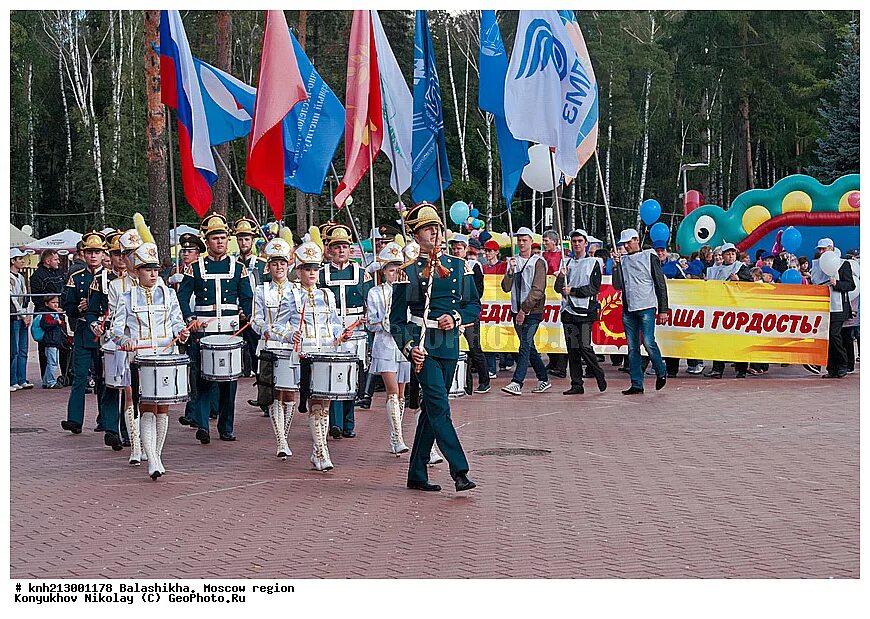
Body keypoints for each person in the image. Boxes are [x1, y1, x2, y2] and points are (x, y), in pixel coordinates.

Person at [389, 202, 478, 492]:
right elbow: (397, 320)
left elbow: (473, 305)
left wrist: (455, 317)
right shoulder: (409, 271)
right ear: (416, 236)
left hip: (448, 344)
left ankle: (416, 473)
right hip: (423, 346)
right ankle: (459, 470)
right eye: (428, 229)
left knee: (431, 409)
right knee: (440, 406)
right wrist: (409, 347)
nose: (435, 232)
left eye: (437, 227)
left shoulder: (457, 265)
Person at [110, 242, 190, 480]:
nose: (154, 273)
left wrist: (182, 331)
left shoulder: (169, 294)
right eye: (148, 269)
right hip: (141, 358)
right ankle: (152, 459)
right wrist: (125, 339)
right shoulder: (127, 297)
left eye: (156, 269)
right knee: (145, 406)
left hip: (166, 356)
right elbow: (115, 330)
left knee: (162, 408)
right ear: (136, 272)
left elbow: (176, 321)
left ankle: (156, 454)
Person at [178, 212, 253, 444]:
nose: (219, 241)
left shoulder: (238, 266)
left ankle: (226, 427)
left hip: (230, 330)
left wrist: (247, 315)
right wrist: (190, 318)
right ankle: (202, 426)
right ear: (207, 241)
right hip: (203, 330)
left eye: (222, 237)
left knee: (229, 382)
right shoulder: (196, 268)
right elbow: (182, 296)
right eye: (214, 238)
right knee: (202, 379)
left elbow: (247, 296)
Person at [293, 241, 352, 471]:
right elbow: (280, 325)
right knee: (315, 403)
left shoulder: (327, 295)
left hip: (327, 352)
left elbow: (335, 324)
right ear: (299, 271)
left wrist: (343, 334)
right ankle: (322, 451)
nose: (312, 274)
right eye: (308, 269)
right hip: (306, 355)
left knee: (325, 405)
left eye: (315, 270)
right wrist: (291, 334)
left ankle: (318, 452)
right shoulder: (293, 295)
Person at [85, 230, 140, 452]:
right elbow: (91, 311)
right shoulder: (102, 280)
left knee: (133, 387)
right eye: (117, 253)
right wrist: (94, 324)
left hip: (135, 341)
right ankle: (110, 429)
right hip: (110, 339)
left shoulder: (141, 278)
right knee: (110, 385)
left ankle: (129, 430)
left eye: (125, 254)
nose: (120, 258)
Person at [317, 223, 372, 439]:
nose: (341, 250)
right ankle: (336, 423)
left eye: (345, 246)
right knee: (333, 375)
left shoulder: (362, 274)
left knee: (352, 377)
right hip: (332, 332)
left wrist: (370, 318)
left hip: (356, 331)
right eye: (336, 246)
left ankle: (349, 424)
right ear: (329, 250)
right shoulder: (321, 275)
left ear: (350, 250)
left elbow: (371, 303)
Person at [249, 238, 298, 460]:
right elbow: (255, 319)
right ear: (268, 266)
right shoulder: (261, 290)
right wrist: (264, 330)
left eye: (282, 263)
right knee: (274, 393)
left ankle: (284, 434)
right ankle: (281, 440)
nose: (279, 267)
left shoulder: (296, 290)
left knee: (290, 394)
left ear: (288, 265)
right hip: (270, 345)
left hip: (290, 345)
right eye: (275, 263)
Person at [367, 242, 412, 455]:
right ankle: (397, 436)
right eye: (392, 269)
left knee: (402, 393)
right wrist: (385, 322)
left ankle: (398, 431)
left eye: (398, 269)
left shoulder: (408, 291)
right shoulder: (375, 293)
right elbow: (371, 323)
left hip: (402, 345)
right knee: (392, 391)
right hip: (385, 344)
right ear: (384, 271)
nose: (395, 273)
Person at [611, 228, 668, 395]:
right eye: (624, 244)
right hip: (629, 307)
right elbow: (617, 285)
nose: (626, 246)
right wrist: (616, 266)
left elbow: (660, 283)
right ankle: (636, 383)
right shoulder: (623, 260)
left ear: (637, 240)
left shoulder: (650, 256)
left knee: (648, 342)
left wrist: (663, 309)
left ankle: (661, 370)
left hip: (647, 305)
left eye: (629, 242)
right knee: (632, 347)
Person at [61, 231, 108, 433]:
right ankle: (74, 420)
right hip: (82, 330)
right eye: (89, 252)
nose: (93, 256)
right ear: (83, 254)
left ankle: (105, 419)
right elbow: (67, 304)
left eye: (97, 252)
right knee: (79, 376)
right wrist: (77, 309)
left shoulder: (109, 276)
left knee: (104, 378)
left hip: (103, 330)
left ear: (103, 254)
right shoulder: (76, 277)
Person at [554, 229, 606, 395]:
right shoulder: (566, 263)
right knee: (573, 349)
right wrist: (561, 277)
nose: (577, 244)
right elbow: (558, 288)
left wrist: (574, 291)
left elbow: (594, 287)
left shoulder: (593, 262)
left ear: (585, 243)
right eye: (574, 241)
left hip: (585, 311)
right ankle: (577, 383)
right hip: (569, 311)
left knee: (584, 346)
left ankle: (597, 372)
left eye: (579, 241)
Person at [500, 227, 551, 396]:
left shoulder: (538, 262)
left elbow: (538, 290)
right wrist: (509, 271)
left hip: (532, 311)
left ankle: (517, 382)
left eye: (524, 240)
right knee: (529, 347)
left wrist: (525, 309)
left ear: (530, 241)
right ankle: (543, 378)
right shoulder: (513, 261)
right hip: (516, 309)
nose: (521, 243)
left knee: (524, 345)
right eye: (519, 240)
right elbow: (506, 287)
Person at [448, 234, 490, 394]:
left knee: (474, 347)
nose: (456, 251)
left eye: (459, 248)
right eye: (454, 248)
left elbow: (478, 291)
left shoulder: (473, 265)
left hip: (468, 313)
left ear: (466, 249)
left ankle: (484, 380)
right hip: (452, 312)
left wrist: (467, 310)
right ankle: (456, 382)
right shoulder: (448, 265)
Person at [703, 242, 753, 379]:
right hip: (720, 309)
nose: (731, 256)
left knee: (739, 339)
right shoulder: (716, 270)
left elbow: (751, 284)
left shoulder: (740, 267)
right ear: (723, 256)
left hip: (737, 309)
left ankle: (741, 369)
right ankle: (717, 369)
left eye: (732, 253)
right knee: (719, 339)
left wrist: (739, 280)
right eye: (728, 254)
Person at [811, 238, 855, 379]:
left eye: (823, 249)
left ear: (831, 248)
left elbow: (850, 285)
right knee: (827, 338)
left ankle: (843, 364)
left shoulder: (843, 264)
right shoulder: (818, 265)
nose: (821, 252)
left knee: (834, 335)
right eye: (819, 249)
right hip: (823, 307)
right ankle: (831, 368)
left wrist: (837, 284)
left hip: (839, 306)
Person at [234, 217, 267, 380]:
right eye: (240, 239)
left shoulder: (262, 265)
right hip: (237, 316)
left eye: (247, 239)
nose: (243, 243)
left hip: (256, 316)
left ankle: (264, 394)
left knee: (259, 356)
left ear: (253, 241)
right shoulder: (233, 264)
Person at [30, 249, 68, 380]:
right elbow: (37, 298)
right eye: (56, 259)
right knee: (45, 348)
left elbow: (64, 289)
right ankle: (47, 378)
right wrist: (52, 307)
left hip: (60, 313)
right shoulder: (37, 276)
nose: (59, 261)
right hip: (45, 315)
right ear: (47, 261)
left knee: (63, 344)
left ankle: (66, 375)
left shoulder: (59, 272)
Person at [541, 229, 568, 378]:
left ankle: (561, 365)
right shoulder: (543, 255)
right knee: (548, 328)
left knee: (558, 331)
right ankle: (552, 360)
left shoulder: (563, 256)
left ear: (554, 241)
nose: (544, 243)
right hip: (547, 297)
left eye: (546, 241)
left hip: (558, 297)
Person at [10, 248, 33, 391]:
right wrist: (23, 314)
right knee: (14, 349)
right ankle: (12, 379)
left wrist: (28, 313)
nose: (22, 261)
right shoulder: (8, 276)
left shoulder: (21, 277)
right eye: (20, 259)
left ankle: (21, 378)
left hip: (23, 315)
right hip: (14, 317)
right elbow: (13, 299)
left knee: (23, 349)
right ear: (12, 261)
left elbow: (25, 297)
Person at [40, 295, 66, 389]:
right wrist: (56, 322)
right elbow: (45, 324)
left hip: (55, 341)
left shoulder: (55, 313)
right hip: (50, 342)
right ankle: (51, 381)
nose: (56, 305)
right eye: (53, 302)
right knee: (52, 362)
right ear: (47, 304)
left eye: (57, 302)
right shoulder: (47, 314)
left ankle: (46, 381)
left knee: (52, 362)